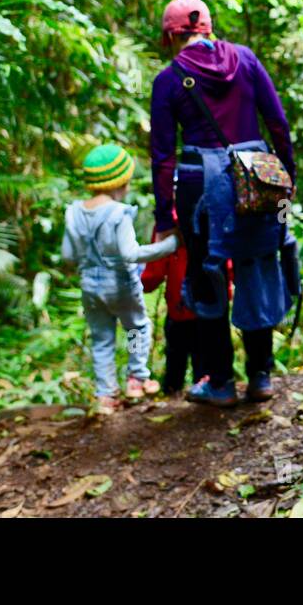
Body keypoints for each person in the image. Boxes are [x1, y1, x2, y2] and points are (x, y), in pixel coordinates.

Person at [150, 0, 297, 407]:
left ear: (170, 36)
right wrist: (287, 176)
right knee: (256, 268)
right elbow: (277, 122)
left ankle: (219, 382)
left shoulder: (169, 80)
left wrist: (166, 216)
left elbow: (163, 157)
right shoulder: (246, 59)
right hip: (255, 180)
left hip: (201, 191)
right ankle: (261, 376)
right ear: (208, 28)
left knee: (207, 276)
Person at [62, 143, 178, 412]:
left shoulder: (74, 212)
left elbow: (69, 255)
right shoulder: (118, 212)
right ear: (120, 183)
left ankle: (106, 396)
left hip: (89, 286)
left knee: (101, 338)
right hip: (120, 284)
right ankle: (136, 378)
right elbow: (130, 253)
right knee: (136, 327)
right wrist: (169, 246)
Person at [140, 212, 201, 395]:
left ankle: (171, 395)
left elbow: (154, 273)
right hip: (209, 308)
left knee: (175, 364)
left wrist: (139, 284)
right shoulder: (213, 210)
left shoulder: (167, 223)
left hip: (178, 308)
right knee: (205, 366)